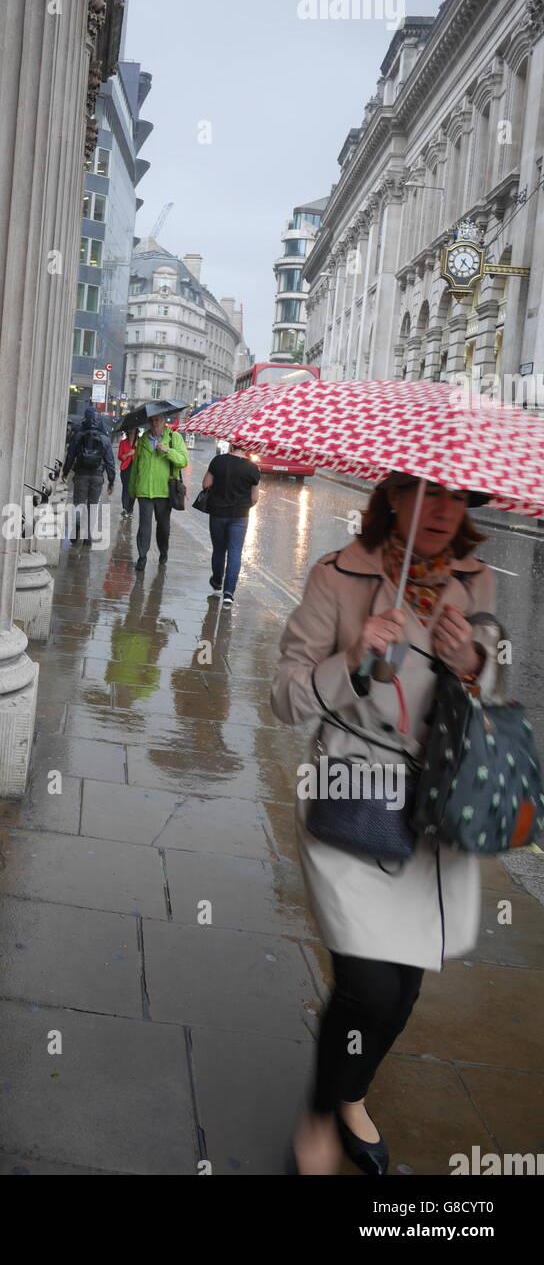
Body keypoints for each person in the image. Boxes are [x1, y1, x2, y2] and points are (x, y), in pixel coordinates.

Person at [271, 474, 499, 1176]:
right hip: (353, 790)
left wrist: (471, 666)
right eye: (427, 495)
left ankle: (352, 1095)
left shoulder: (477, 579)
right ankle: (318, 1112)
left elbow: (489, 688)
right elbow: (283, 696)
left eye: (457, 499)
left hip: (435, 804)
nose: (442, 512)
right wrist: (353, 657)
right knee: (366, 985)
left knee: (403, 988)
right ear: (393, 499)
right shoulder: (337, 575)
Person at [200, 440, 260, 606]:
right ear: (246, 448)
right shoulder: (252, 468)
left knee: (219, 549)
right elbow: (254, 497)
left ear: (231, 446)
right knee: (235, 552)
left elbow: (206, 484)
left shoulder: (218, 461)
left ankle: (217, 582)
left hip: (218, 514)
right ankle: (229, 593)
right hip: (240, 516)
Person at [127, 413, 188, 570]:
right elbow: (135, 467)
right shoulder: (142, 441)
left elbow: (183, 461)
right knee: (144, 525)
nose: (155, 423)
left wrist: (168, 451)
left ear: (163, 422)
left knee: (163, 526)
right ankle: (142, 556)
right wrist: (132, 488)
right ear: (148, 422)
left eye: (158, 420)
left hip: (164, 491)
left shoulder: (174, 438)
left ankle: (163, 551)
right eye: (152, 420)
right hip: (144, 490)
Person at [62, 406, 115, 544]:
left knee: (79, 504)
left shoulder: (79, 434)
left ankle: (76, 530)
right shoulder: (105, 438)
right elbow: (110, 462)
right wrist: (111, 480)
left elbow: (70, 455)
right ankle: (89, 537)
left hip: (81, 475)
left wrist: (65, 472)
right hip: (97, 476)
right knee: (93, 506)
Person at [117, 430, 137, 516]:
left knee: (133, 490)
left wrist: (137, 448)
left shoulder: (140, 443)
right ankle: (125, 508)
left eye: (133, 432)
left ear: (136, 432)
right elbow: (120, 457)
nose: (131, 434)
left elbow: (143, 457)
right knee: (126, 488)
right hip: (125, 469)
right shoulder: (123, 443)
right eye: (130, 432)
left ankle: (130, 509)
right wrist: (129, 453)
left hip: (136, 470)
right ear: (127, 433)